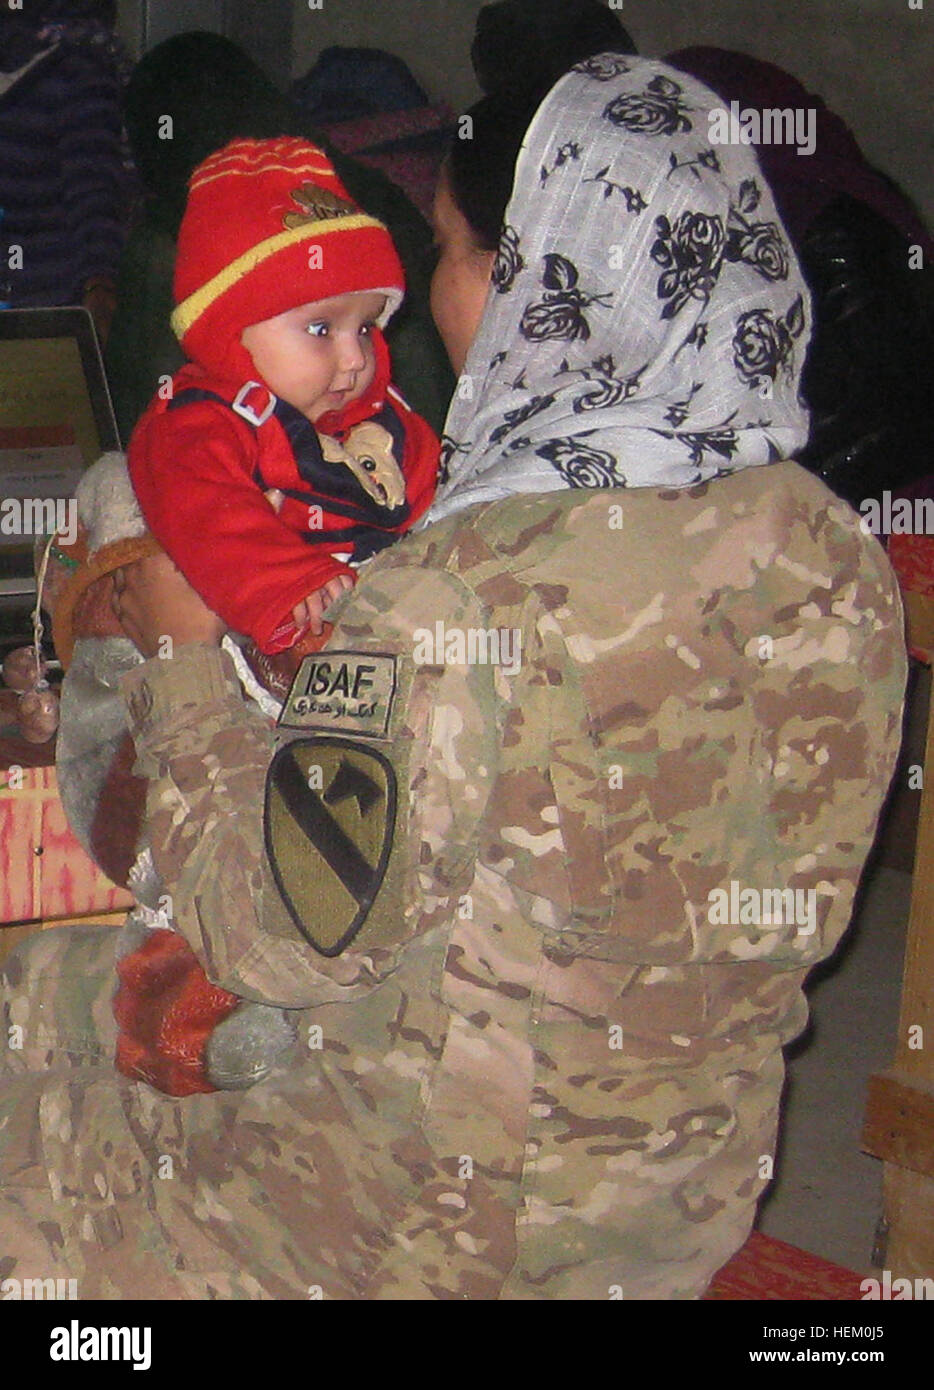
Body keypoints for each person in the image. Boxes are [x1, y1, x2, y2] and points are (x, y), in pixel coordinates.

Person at [0, 55, 906, 1299]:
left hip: (401, 1238)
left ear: (539, 279)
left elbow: (261, 943)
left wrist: (184, 654)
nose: (427, 306)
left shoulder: (451, 596)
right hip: (671, 1208)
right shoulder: (833, 553)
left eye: (451, 254)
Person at [126, 136, 439, 657]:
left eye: (365, 328)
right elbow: (206, 513)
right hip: (255, 634)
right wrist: (287, 579)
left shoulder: (382, 416)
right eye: (321, 329)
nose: (357, 358)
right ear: (229, 333)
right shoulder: (201, 422)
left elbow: (439, 496)